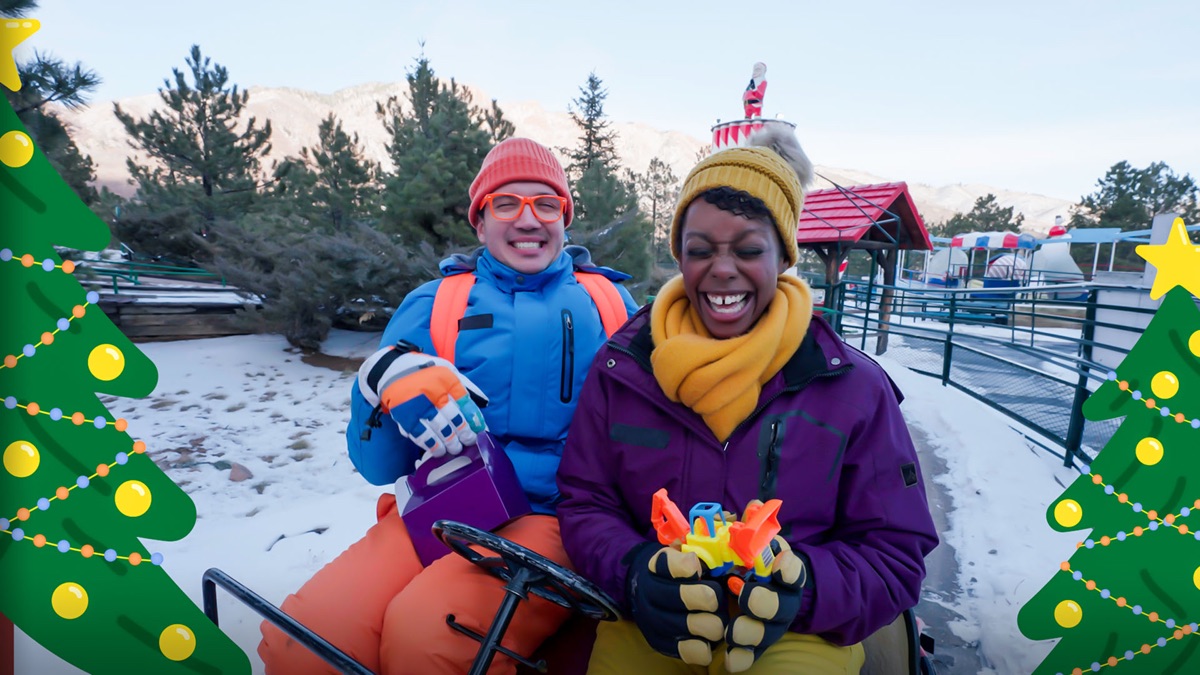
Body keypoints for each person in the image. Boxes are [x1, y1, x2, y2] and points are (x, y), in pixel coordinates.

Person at [556, 127, 939, 674]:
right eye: (700, 250)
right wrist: (637, 573)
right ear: (680, 257)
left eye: (749, 249)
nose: (723, 268)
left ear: (783, 255)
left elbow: (894, 553)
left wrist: (802, 589)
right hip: (652, 626)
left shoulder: (852, 388)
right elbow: (586, 502)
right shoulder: (624, 371)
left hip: (801, 635)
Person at [258, 137, 640, 675]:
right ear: (480, 223)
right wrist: (376, 385)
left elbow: (646, 427)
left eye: (546, 204)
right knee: (304, 641)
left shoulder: (609, 304)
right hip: (443, 502)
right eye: (507, 203)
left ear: (565, 219)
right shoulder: (435, 303)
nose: (528, 219)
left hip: (554, 517)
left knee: (428, 642)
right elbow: (377, 466)